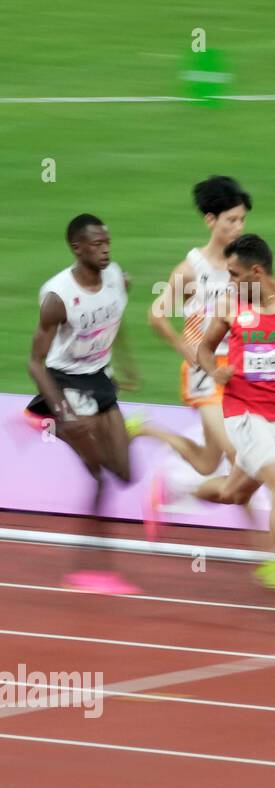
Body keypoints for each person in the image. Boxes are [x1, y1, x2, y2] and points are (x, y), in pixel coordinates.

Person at [184, 235, 275, 617]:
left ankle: (171, 492)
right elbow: (202, 348)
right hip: (243, 414)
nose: (230, 282)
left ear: (256, 271)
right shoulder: (229, 305)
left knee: (235, 493)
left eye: (234, 275)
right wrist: (215, 370)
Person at [26, 214, 140, 594]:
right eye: (96, 244)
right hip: (65, 383)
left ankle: (60, 422)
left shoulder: (116, 277)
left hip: (99, 378)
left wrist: (124, 362)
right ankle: (91, 567)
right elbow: (35, 362)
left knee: (123, 473)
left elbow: (114, 317)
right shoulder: (58, 297)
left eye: (108, 242)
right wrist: (64, 411)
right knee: (98, 474)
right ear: (77, 248)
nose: (105, 249)